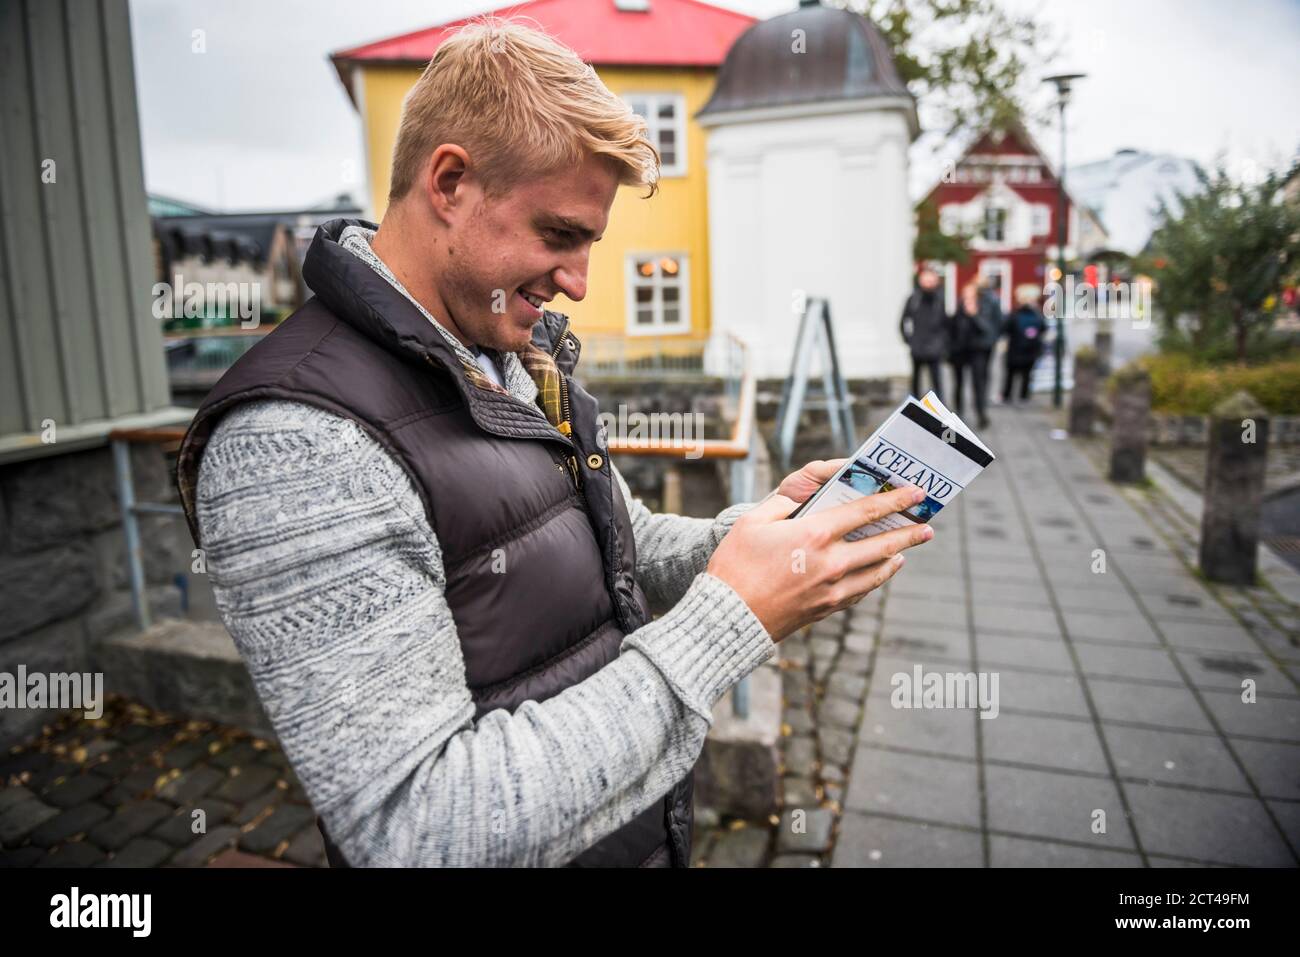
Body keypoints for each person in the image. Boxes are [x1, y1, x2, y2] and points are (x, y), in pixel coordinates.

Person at [173, 20, 934, 869]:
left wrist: (754, 544)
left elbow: (610, 538)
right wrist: (732, 619)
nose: (579, 280)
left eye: (589, 243)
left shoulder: (503, 348)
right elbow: (414, 828)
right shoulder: (297, 442)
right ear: (450, 182)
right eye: (560, 234)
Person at [946, 281, 999, 429]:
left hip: (977, 351)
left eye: (970, 295)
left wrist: (974, 315)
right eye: (965, 295)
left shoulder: (983, 309)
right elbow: (952, 330)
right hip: (959, 352)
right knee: (958, 383)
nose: (967, 298)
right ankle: (958, 414)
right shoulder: (958, 310)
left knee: (978, 384)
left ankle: (981, 413)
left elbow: (986, 329)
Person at [899, 267, 947, 400]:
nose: (929, 284)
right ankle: (914, 406)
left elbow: (945, 324)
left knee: (937, 381)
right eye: (926, 280)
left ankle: (939, 408)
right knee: (915, 380)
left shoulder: (939, 300)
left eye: (931, 281)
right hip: (917, 347)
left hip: (934, 348)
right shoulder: (913, 299)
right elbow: (903, 321)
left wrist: (941, 343)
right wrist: (909, 340)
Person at [1001, 284, 1048, 404]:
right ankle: (1023, 396)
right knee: (1027, 374)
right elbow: (1043, 329)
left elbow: (1006, 328)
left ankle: (1007, 395)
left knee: (1011, 374)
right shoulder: (1037, 315)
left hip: (1015, 348)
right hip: (1030, 349)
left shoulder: (1015, 314)